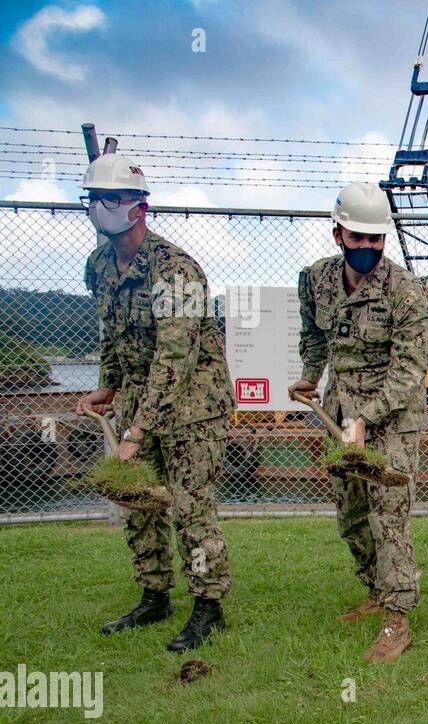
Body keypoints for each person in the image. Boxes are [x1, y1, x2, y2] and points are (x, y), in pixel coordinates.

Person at [76, 155, 236, 652]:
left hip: (193, 408)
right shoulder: (100, 265)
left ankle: (208, 606)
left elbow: (175, 357)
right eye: (94, 200)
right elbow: (114, 333)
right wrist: (108, 383)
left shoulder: (176, 270)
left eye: (110, 200)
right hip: (142, 404)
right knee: (138, 504)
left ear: (137, 207)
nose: (100, 209)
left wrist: (133, 435)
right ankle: (154, 595)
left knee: (190, 510)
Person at [290, 182, 428, 663]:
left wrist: (365, 420)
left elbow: (409, 372)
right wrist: (311, 377)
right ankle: (374, 590)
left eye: (377, 239)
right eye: (359, 239)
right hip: (340, 410)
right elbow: (313, 333)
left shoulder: (407, 292)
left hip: (393, 414)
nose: (369, 248)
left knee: (388, 513)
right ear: (338, 235)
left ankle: (398, 618)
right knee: (351, 515)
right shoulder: (315, 281)